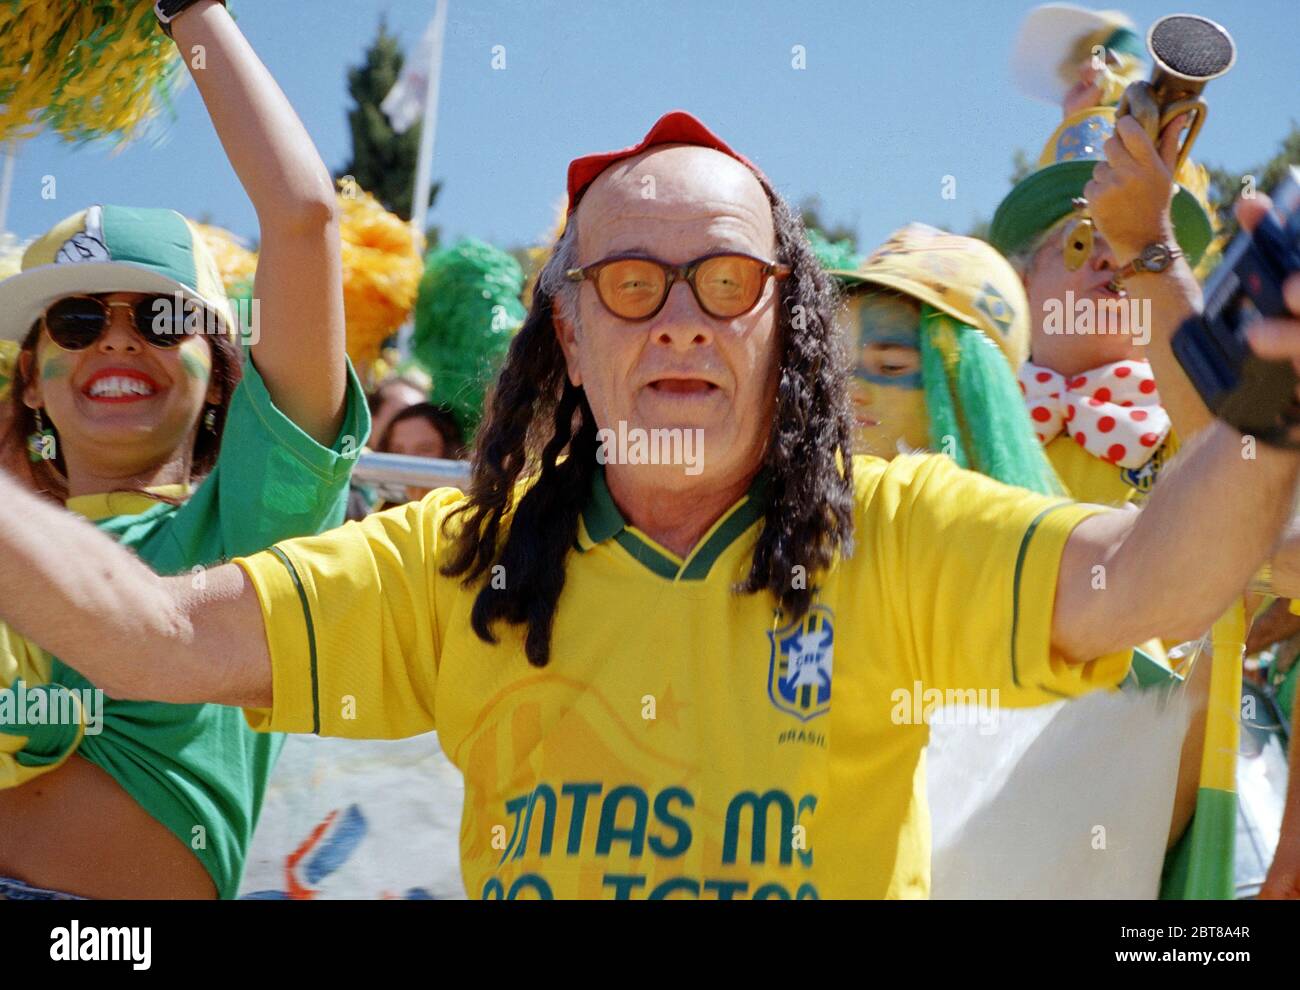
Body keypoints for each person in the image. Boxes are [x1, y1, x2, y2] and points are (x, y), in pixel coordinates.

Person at [2, 109, 1300, 900]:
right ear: (565, 328)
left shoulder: (895, 528)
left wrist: (1272, 402)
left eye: (726, 279)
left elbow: (1150, 584)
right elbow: (157, 636)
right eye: (629, 281)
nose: (680, 316)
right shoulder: (467, 558)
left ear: (787, 325)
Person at [0, 0, 367, 899]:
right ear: (32, 381)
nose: (117, 342)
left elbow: (303, 217)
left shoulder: (257, 518)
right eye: (78, 319)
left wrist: (191, 8)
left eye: (163, 318)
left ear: (223, 373)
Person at [376, 401, 466, 503]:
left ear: (453, 451)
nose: (408, 462)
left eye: (425, 449)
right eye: (398, 451)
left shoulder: (468, 512)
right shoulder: (374, 512)